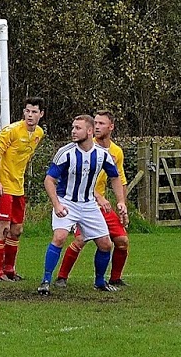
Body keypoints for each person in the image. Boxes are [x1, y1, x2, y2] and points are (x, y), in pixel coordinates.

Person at [36, 114, 128, 295]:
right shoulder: (65, 153)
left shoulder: (102, 155)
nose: (73, 131)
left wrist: (121, 201)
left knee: (105, 244)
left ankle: (100, 282)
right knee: (60, 237)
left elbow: (115, 177)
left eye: (77, 128)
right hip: (66, 201)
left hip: (89, 205)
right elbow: (49, 180)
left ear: (89, 131)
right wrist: (56, 205)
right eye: (73, 127)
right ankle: (46, 281)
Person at [0, 98, 45, 281]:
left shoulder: (38, 133)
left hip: (18, 188)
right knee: (3, 228)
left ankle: (10, 269)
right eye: (27, 111)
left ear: (41, 114)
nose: (30, 115)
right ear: (23, 112)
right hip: (3, 187)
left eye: (34, 112)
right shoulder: (11, 131)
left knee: (17, 229)